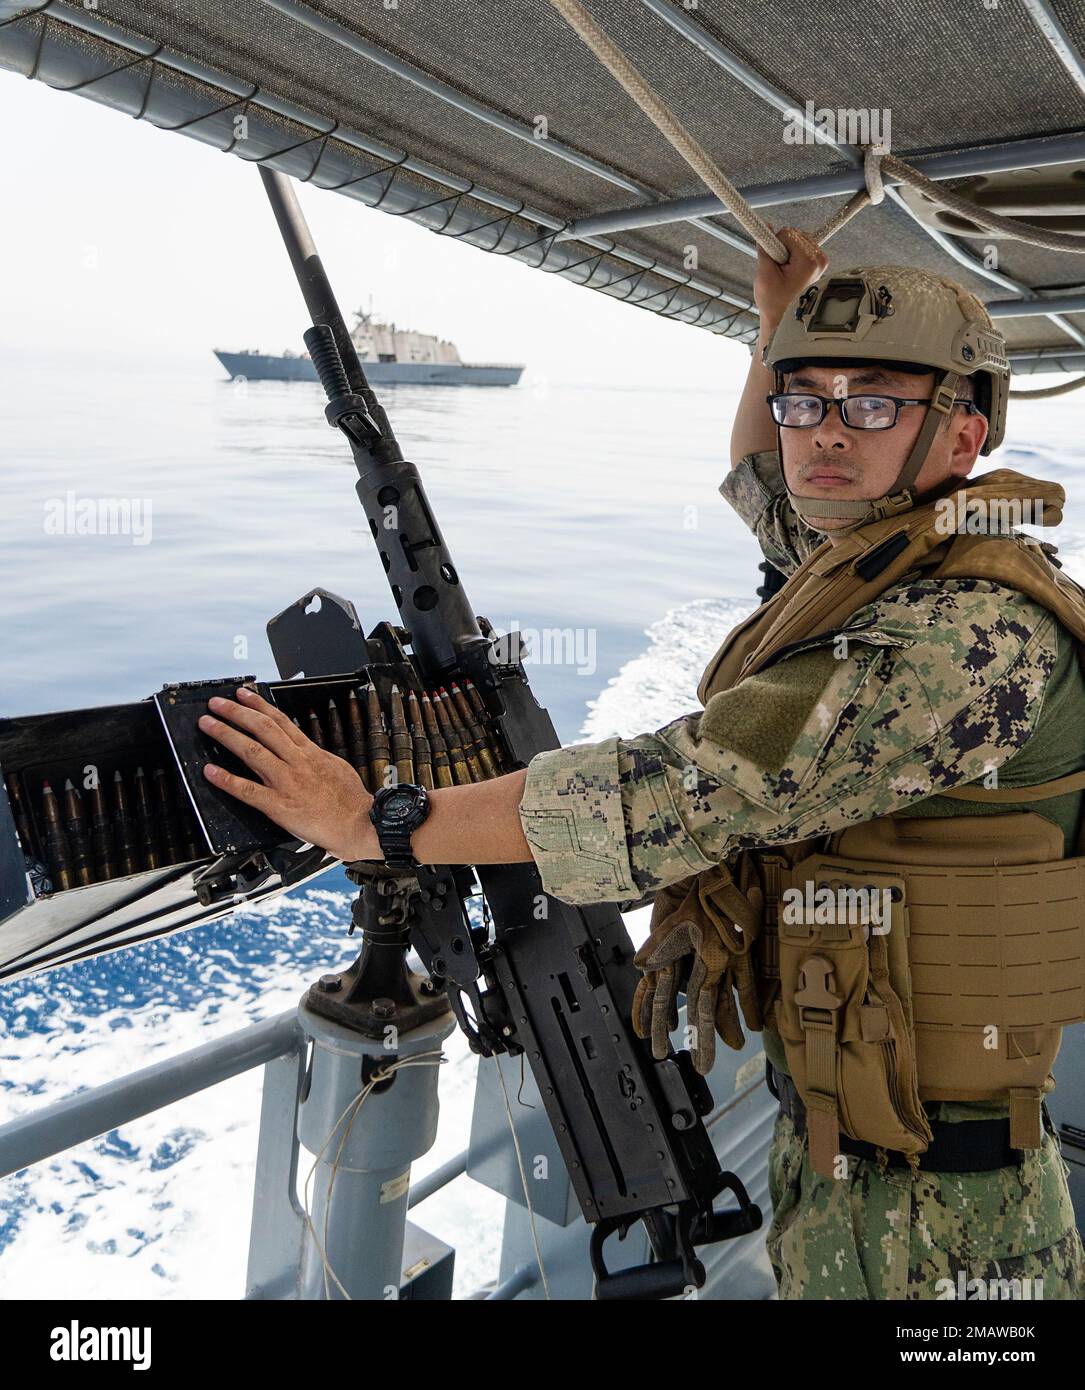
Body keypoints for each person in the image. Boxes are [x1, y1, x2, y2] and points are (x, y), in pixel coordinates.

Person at [196, 230, 1085, 1300]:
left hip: (944, 1214)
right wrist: (779, 327)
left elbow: (670, 793)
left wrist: (375, 822)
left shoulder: (966, 639)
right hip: (853, 1148)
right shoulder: (890, 553)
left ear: (962, 435)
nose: (821, 434)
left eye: (873, 402)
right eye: (805, 399)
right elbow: (763, 477)